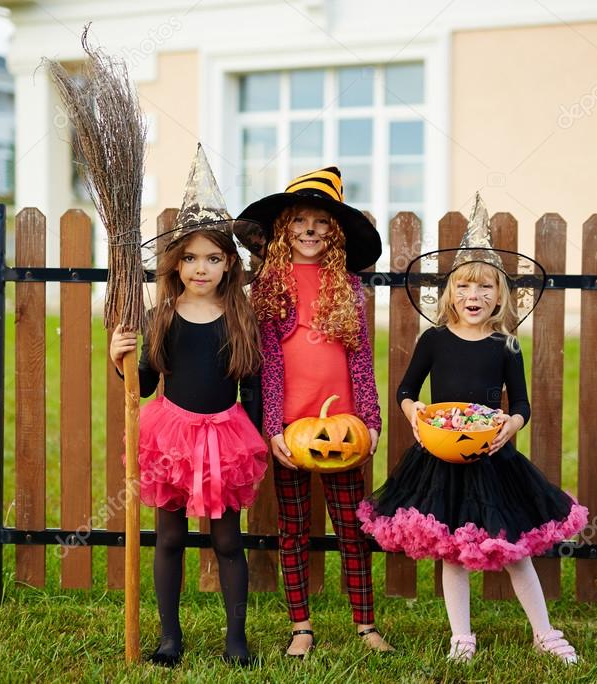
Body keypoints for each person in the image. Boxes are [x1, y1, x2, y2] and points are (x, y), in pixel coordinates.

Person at [358, 194, 588, 664]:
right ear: (451, 294)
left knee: (515, 548)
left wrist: (512, 423)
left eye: (485, 288)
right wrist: (416, 416)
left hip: (491, 457)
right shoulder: (434, 340)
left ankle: (544, 632)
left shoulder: (506, 345)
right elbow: (405, 389)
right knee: (451, 552)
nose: (474, 297)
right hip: (439, 455)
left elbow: (521, 402)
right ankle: (461, 637)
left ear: (500, 296)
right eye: (464, 287)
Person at [110, 145, 266, 667]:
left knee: (227, 539)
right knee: (170, 535)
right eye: (191, 257)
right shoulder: (161, 317)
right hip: (172, 436)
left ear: (229, 264)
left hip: (225, 437)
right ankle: (169, 637)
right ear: (176, 263)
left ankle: (236, 639)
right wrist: (120, 360)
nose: (202, 268)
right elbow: (148, 380)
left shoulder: (242, 317)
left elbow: (252, 388)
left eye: (214, 258)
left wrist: (261, 437)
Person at [234, 167, 393, 657]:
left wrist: (371, 418)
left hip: (344, 427)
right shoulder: (269, 287)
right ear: (283, 230)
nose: (309, 229)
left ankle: (365, 624)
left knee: (352, 528)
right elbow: (269, 365)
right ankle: (301, 624)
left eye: (321, 221)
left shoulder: (346, 286)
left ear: (335, 232)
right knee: (294, 527)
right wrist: (273, 426)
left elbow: (361, 358)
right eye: (299, 220)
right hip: (293, 431)